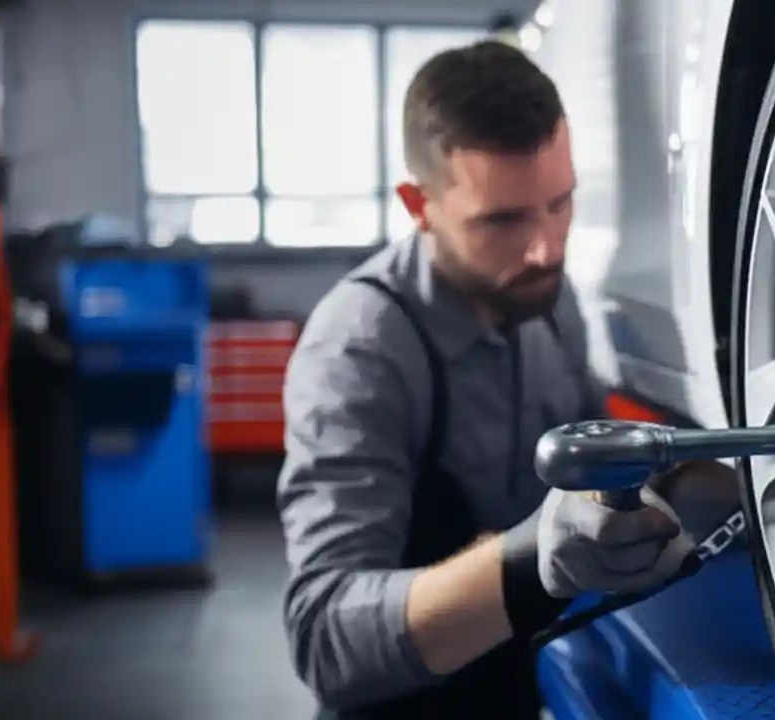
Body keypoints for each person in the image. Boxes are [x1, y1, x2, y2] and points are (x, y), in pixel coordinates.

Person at [277, 41, 698, 719]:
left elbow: (594, 441)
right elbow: (326, 641)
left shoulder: (544, 295)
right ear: (419, 204)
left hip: (516, 685)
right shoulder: (360, 349)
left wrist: (707, 462)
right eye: (502, 220)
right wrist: (529, 562)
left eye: (560, 203)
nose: (545, 247)